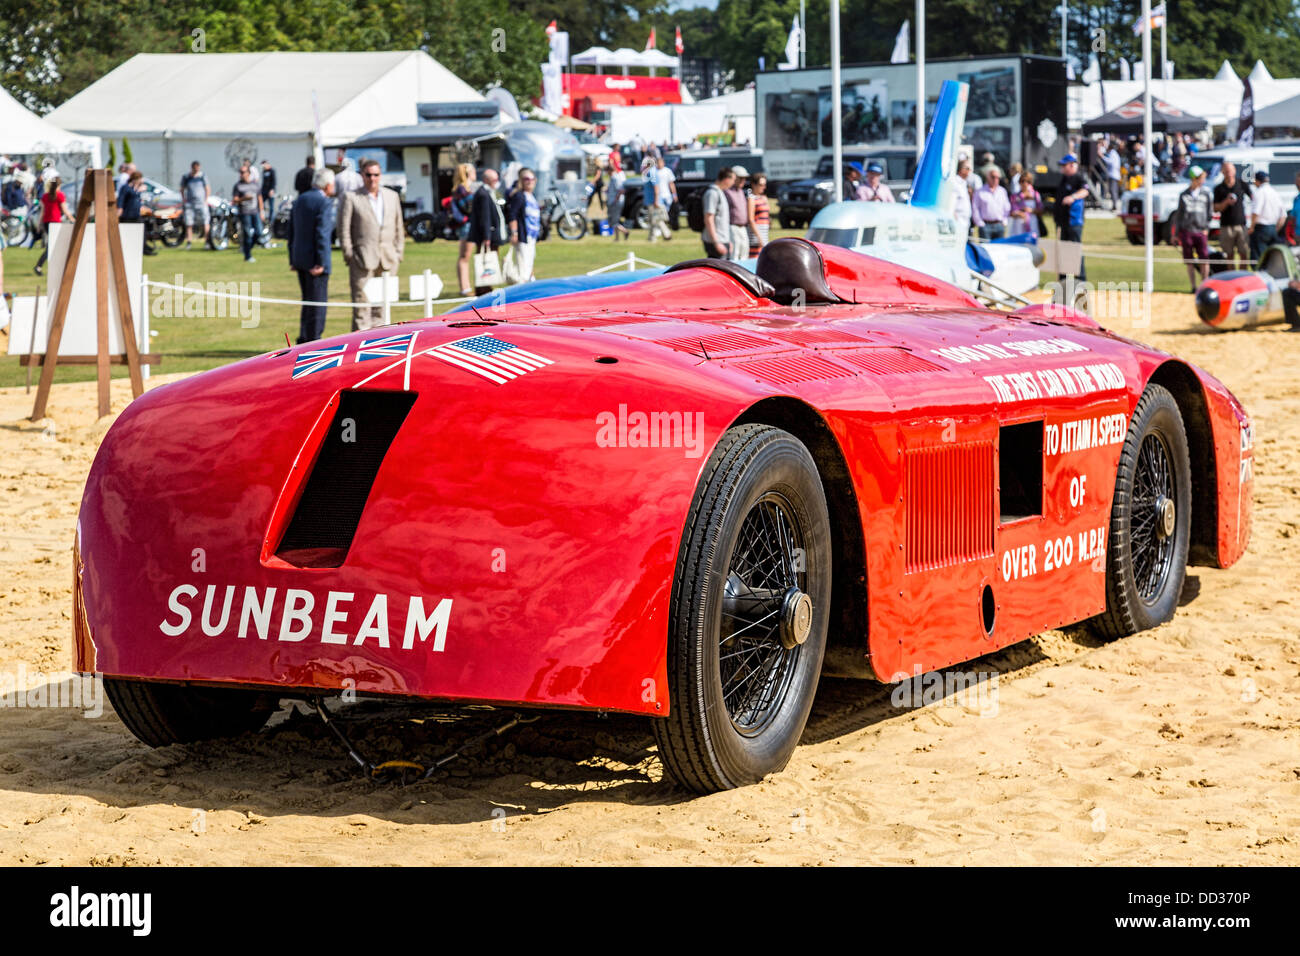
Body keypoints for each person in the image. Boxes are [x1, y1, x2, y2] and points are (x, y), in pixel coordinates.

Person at [338, 158, 404, 331]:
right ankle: (359, 350)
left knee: (382, 307)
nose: (372, 178)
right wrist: (349, 254)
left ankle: (380, 347)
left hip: (388, 259)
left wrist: (398, 253)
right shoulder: (351, 197)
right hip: (362, 260)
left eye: (376, 175)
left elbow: (399, 227)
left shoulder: (392, 196)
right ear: (362, 175)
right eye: (368, 175)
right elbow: (343, 229)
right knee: (361, 308)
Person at [286, 167, 335, 343]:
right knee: (317, 305)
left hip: (300, 260)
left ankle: (304, 338)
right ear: (328, 185)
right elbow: (322, 234)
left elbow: (291, 231)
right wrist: (321, 262)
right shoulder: (323, 202)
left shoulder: (300, 199)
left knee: (307, 302)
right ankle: (313, 340)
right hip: (315, 263)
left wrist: (292, 258)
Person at [467, 167, 507, 295]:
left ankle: (485, 287)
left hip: (489, 233)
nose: (496, 181)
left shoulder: (488, 192)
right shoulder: (483, 194)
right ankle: (483, 288)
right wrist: (487, 237)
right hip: (487, 234)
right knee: (485, 261)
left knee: (489, 260)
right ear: (486, 180)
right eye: (494, 179)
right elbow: (485, 217)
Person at [1174, 166, 1212, 292]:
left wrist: (1206, 228)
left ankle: (1204, 285)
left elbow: (1209, 213)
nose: (1203, 180)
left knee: (1204, 259)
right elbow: (1179, 215)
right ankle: (1193, 287)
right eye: (1201, 178)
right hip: (1187, 231)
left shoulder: (1206, 194)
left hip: (1201, 231)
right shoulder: (1184, 195)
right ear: (1194, 179)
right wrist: (1176, 233)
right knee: (1189, 260)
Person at [1053, 153, 1089, 281]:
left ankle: (1080, 279)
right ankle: (1063, 279)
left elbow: (1085, 191)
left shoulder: (1078, 178)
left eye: (1065, 165)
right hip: (1063, 222)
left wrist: (1072, 197)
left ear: (1072, 165)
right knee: (1063, 251)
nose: (1062, 168)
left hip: (1074, 221)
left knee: (1075, 249)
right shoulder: (1064, 179)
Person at [505, 167, 541, 283]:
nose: (530, 181)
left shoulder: (531, 196)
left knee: (529, 263)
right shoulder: (519, 195)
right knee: (523, 265)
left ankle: (530, 283)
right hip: (522, 235)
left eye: (532, 178)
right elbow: (512, 215)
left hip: (532, 236)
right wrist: (514, 233)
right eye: (526, 179)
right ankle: (523, 288)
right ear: (521, 180)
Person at [1213, 161, 1251, 269]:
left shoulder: (1242, 184)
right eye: (1226, 171)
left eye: (1230, 171)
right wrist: (1226, 202)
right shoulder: (1219, 188)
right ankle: (1232, 276)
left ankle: (1243, 277)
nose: (1228, 173)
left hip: (1241, 225)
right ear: (1222, 172)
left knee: (1243, 252)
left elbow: (1253, 198)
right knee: (1228, 255)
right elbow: (1215, 208)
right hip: (1226, 226)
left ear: (1234, 171)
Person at [33, 177, 73, 275]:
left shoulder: (45, 196)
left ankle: (41, 266)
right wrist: (72, 219)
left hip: (47, 223)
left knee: (52, 244)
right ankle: (39, 266)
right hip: (55, 222)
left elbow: (42, 212)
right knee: (52, 245)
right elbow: (64, 210)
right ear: (59, 185)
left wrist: (39, 224)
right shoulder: (60, 195)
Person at [450, 163, 477, 296]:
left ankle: (466, 286)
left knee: (465, 257)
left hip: (467, 225)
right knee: (464, 257)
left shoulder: (463, 189)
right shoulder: (463, 190)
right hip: (467, 226)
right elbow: (469, 208)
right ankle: (465, 288)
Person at [116, 170, 154, 256]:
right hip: (127, 214)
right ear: (135, 179)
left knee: (142, 231)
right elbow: (121, 199)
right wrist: (119, 209)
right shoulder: (126, 188)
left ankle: (144, 248)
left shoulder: (135, 188)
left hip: (136, 214)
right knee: (125, 233)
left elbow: (137, 200)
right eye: (140, 179)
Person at [1248, 170, 1284, 260]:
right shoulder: (1275, 193)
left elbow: (1256, 212)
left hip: (1261, 229)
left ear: (1257, 181)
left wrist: (1251, 227)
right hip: (1273, 228)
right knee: (1271, 258)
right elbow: (1283, 215)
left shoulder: (1260, 192)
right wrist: (1276, 229)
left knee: (1259, 259)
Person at [231, 164, 263, 263]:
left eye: (243, 172)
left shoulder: (255, 185)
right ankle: (248, 256)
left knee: (259, 232)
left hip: (255, 212)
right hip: (244, 213)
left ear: (248, 173)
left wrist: (262, 211)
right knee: (248, 234)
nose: (241, 174)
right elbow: (235, 200)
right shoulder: (238, 186)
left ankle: (246, 248)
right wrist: (244, 198)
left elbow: (259, 198)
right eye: (240, 172)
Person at [702, 166, 734, 259]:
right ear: (727, 179)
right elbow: (708, 218)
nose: (733, 183)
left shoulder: (721, 192)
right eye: (733, 179)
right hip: (716, 241)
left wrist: (728, 241)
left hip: (723, 240)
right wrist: (716, 242)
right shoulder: (712, 193)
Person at [972, 168, 1010, 240]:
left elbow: (1007, 207)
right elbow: (975, 208)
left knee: (999, 249)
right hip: (986, 225)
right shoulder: (980, 191)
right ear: (988, 177)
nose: (995, 179)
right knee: (985, 248)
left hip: (999, 225)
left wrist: (1004, 221)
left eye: (997, 177)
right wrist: (980, 223)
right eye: (993, 177)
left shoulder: (1002, 191)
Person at [179, 161, 209, 249]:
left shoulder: (202, 176)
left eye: (197, 167)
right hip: (190, 203)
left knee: (205, 222)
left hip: (201, 203)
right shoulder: (187, 177)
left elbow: (207, 188)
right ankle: (189, 242)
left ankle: (207, 241)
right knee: (189, 223)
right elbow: (182, 189)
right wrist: (184, 199)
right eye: (194, 167)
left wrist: (206, 200)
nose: (196, 169)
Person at [725, 166, 750, 262]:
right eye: (741, 178)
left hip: (743, 227)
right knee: (734, 254)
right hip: (732, 226)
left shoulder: (741, 192)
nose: (743, 181)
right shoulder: (727, 192)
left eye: (744, 178)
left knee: (744, 252)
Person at [1008, 171, 1042, 237]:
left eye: (1028, 181)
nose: (1025, 183)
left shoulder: (1035, 195)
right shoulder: (1015, 196)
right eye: (1022, 181)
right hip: (1018, 226)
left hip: (1032, 224)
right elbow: (1010, 213)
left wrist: (1031, 210)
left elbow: (1041, 210)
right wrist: (1018, 213)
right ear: (1019, 182)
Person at [607, 156, 630, 240]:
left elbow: (621, 190)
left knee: (614, 221)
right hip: (614, 201)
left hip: (615, 202)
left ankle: (625, 231)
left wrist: (616, 199)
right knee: (615, 220)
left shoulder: (615, 178)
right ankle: (617, 238)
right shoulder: (613, 178)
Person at [653, 154, 677, 232]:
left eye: (661, 162)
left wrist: (674, 194)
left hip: (667, 195)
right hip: (659, 196)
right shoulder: (654, 172)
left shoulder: (667, 171)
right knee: (660, 213)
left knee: (667, 213)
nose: (659, 164)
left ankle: (666, 226)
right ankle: (661, 228)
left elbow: (671, 184)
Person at [749, 173, 771, 251]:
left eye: (764, 185)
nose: (764, 187)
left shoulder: (764, 198)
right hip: (756, 236)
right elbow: (751, 219)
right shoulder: (751, 199)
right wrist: (759, 237)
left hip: (764, 233)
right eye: (761, 185)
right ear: (753, 185)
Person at [952, 160, 973, 239]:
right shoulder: (955, 182)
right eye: (967, 168)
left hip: (965, 222)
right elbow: (952, 204)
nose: (969, 171)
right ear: (961, 169)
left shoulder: (963, 183)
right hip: (958, 223)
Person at [259, 158, 277, 246]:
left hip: (270, 191)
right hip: (264, 191)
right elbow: (263, 182)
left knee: (271, 207)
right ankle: (262, 217)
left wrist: (272, 190)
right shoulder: (263, 172)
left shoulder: (272, 171)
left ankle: (271, 221)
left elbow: (274, 181)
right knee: (260, 205)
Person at [1103, 141, 1123, 210]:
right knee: (1113, 191)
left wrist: (1102, 157)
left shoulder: (1113, 153)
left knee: (1113, 190)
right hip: (1114, 175)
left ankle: (1115, 205)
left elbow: (1110, 162)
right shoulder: (1114, 153)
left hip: (1113, 175)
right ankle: (1114, 205)